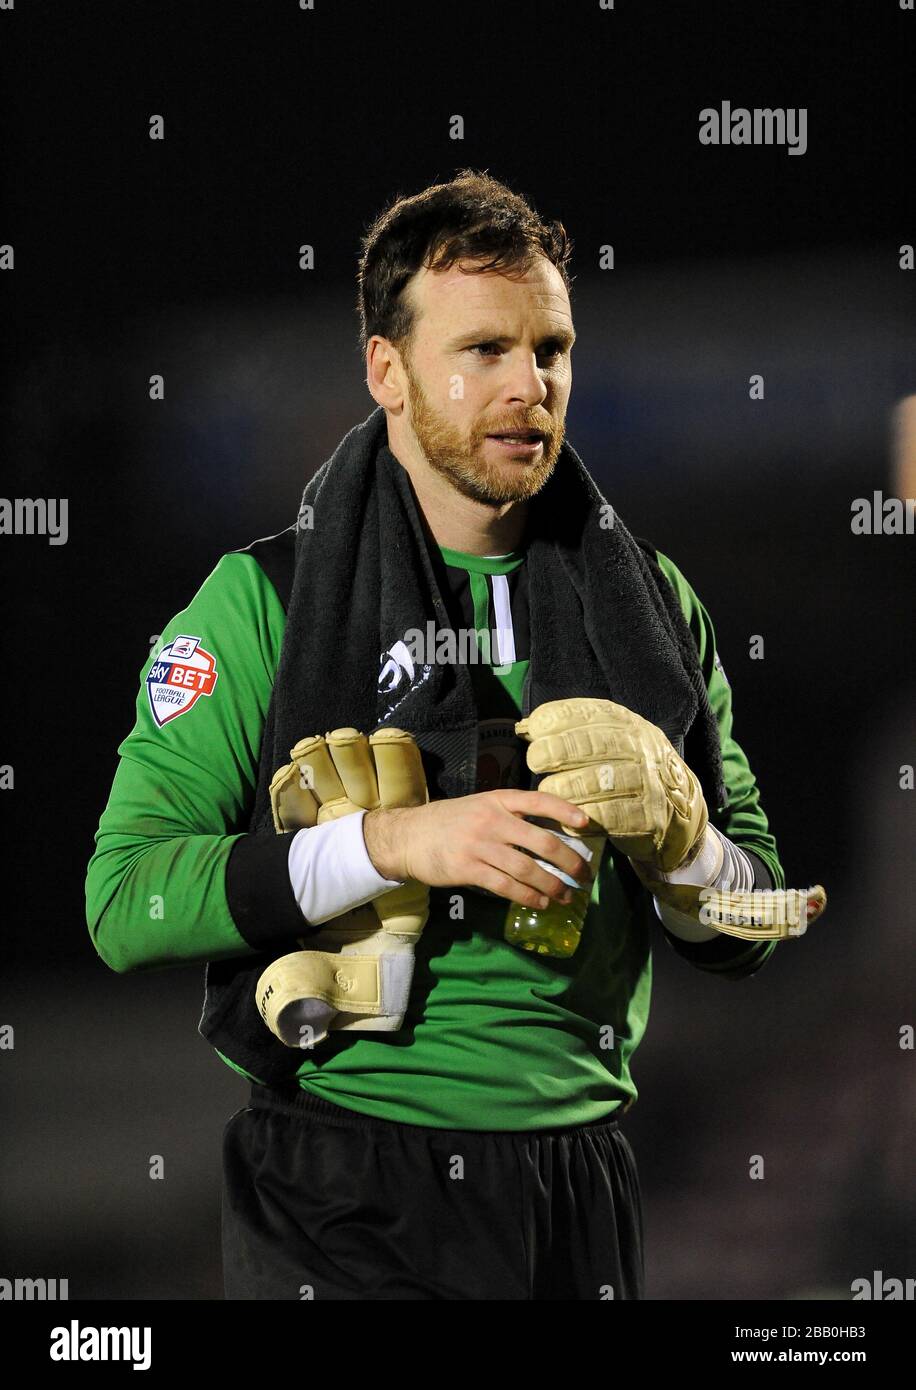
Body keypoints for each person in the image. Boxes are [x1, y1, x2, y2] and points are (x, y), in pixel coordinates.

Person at [86, 168, 803, 1301]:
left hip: (583, 1185)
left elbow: (752, 916)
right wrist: (394, 844)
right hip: (345, 1187)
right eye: (482, 352)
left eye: (551, 350)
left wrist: (686, 848)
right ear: (387, 369)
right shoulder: (257, 600)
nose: (529, 386)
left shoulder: (656, 603)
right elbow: (125, 902)